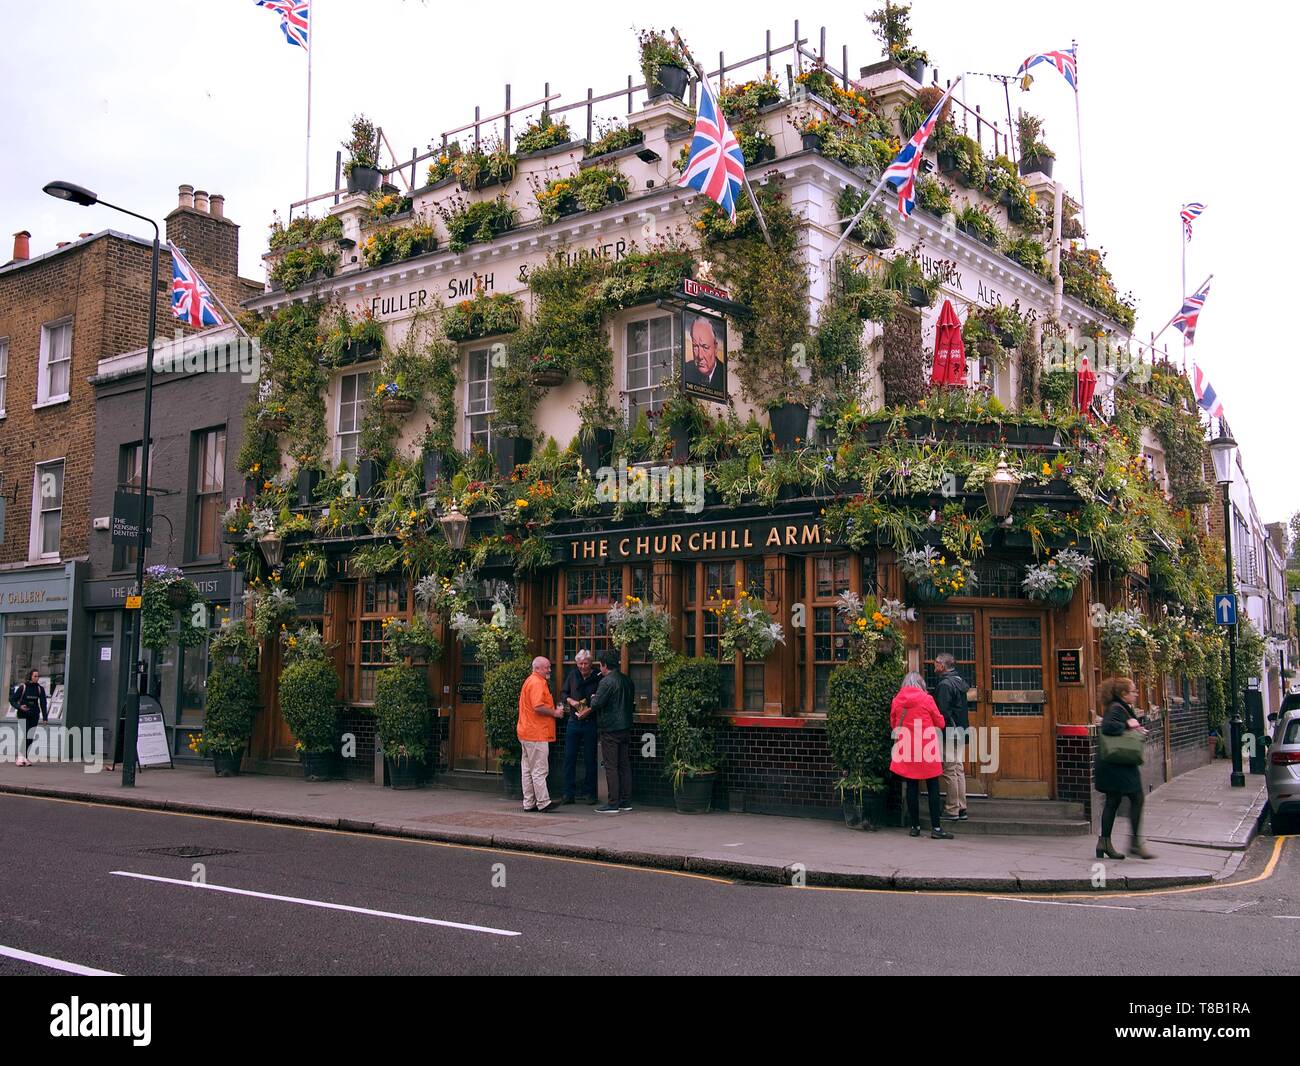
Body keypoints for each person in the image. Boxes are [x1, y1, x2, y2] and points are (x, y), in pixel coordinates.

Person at [1095, 677, 1155, 860]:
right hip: (1118, 765)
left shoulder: (1120, 707)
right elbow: (1107, 727)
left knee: (1113, 801)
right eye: (1133, 691)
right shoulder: (1116, 708)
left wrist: (1135, 729)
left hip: (1117, 763)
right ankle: (1135, 844)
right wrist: (1128, 726)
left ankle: (1104, 842)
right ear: (1123, 694)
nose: (1136, 694)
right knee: (1137, 798)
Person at [890, 672, 954, 840]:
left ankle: (914, 826)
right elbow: (940, 722)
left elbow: (894, 724)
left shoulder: (897, 700)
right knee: (933, 787)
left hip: (907, 747)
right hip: (927, 747)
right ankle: (936, 828)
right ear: (921, 684)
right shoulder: (927, 699)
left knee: (911, 787)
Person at [516, 656, 565, 813]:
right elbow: (538, 707)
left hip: (525, 731)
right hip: (536, 732)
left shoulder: (529, 681)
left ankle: (529, 802)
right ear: (537, 668)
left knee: (527, 769)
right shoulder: (538, 683)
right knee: (539, 769)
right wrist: (555, 713)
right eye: (546, 667)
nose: (549, 670)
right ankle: (543, 802)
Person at [590, 650, 635, 813]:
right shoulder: (627, 680)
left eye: (600, 665)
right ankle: (626, 801)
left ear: (604, 665)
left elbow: (596, 704)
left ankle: (613, 802)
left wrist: (593, 697)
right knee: (624, 765)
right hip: (625, 727)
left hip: (610, 728)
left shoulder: (606, 682)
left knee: (611, 766)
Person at [560, 649, 602, 805]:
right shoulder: (572, 675)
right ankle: (568, 793)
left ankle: (590, 793)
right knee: (569, 758)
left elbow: (601, 699)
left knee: (590, 759)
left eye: (586, 663)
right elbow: (563, 694)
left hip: (590, 722)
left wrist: (588, 711)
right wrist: (571, 701)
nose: (583, 667)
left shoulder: (598, 676)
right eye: (580, 664)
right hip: (573, 722)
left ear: (591, 663)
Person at [933, 653, 970, 821]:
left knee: (949, 770)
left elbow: (943, 712)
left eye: (936, 663)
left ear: (942, 665)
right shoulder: (958, 681)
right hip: (961, 730)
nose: (934, 666)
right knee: (958, 768)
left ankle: (952, 808)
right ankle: (961, 807)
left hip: (950, 731)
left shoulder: (945, 685)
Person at [9, 670, 48, 768]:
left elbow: (43, 704)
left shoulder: (40, 689)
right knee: (27, 733)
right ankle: (20, 757)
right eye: (35, 676)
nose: (37, 678)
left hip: (34, 715)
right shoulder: (23, 687)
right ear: (30, 677)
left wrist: (45, 718)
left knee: (30, 736)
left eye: (38, 676)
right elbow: (12, 700)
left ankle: (24, 757)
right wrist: (19, 707)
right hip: (23, 715)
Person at [683, 316, 724, 392]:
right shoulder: (686, 370)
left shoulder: (724, 374)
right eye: (695, 346)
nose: (700, 356)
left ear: (715, 348)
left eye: (705, 347)